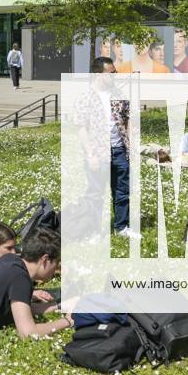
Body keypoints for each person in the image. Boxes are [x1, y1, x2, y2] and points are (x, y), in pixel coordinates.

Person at [72, 56, 139, 240]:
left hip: (119, 151)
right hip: (98, 154)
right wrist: (90, 154)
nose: (114, 76)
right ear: (98, 74)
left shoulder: (118, 94)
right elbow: (81, 128)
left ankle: (121, 227)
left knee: (122, 191)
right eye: (111, 73)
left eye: (115, 72)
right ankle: (94, 231)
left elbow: (128, 118)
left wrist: (131, 146)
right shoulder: (85, 97)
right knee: (95, 194)